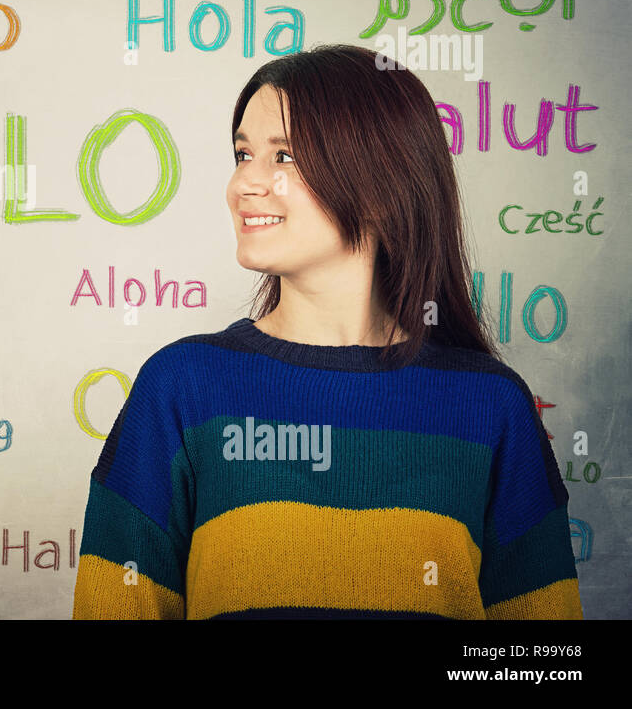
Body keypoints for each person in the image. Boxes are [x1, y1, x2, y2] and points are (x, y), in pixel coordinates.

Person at [71, 44, 583, 619]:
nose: (243, 183)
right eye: (243, 153)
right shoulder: (181, 388)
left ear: (378, 183)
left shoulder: (492, 405)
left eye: (283, 155)